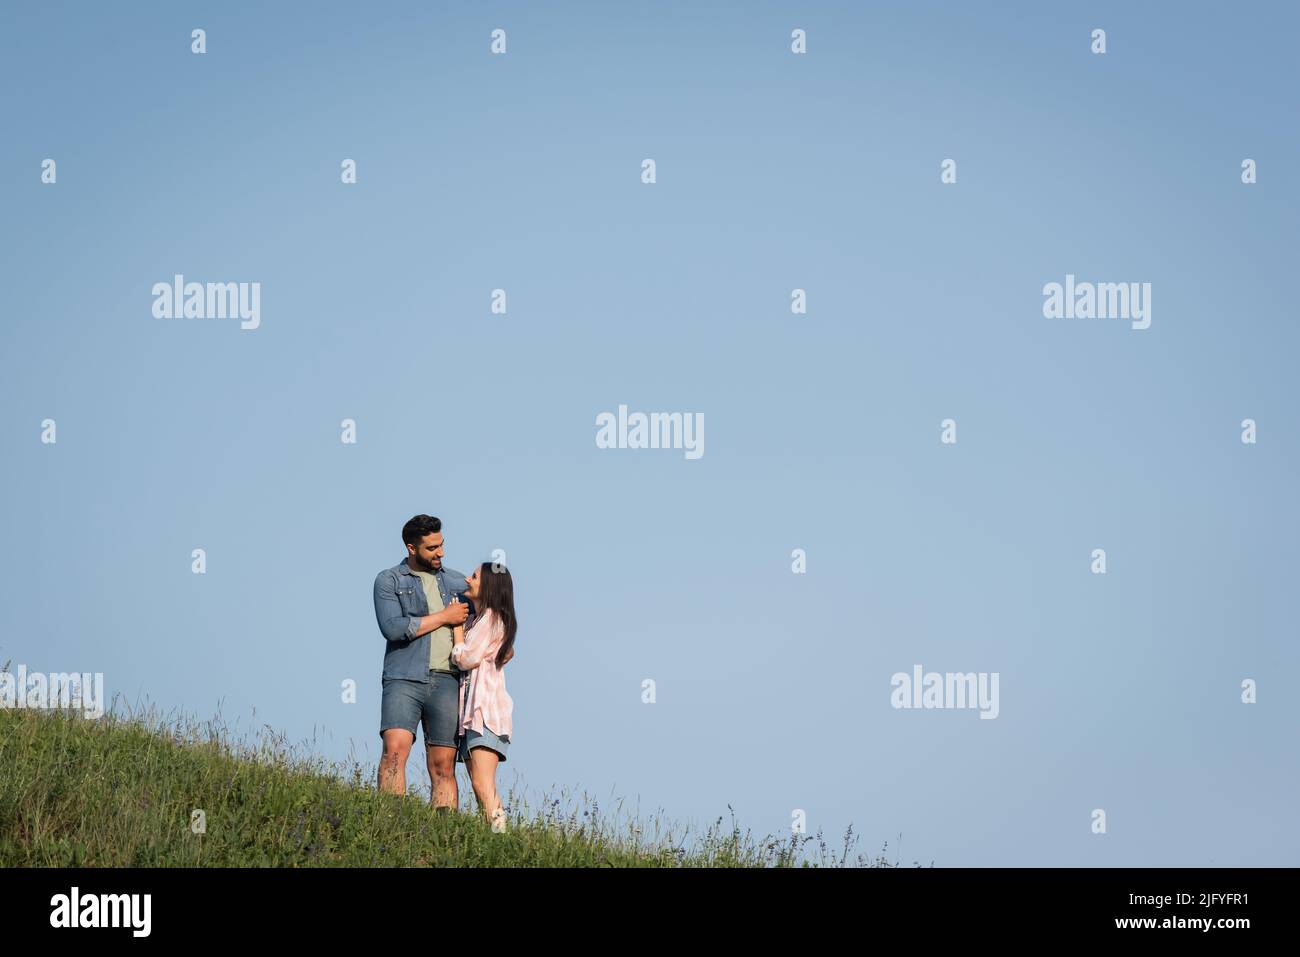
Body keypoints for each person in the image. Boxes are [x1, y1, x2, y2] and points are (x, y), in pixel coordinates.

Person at [372, 514, 469, 809]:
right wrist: (444, 617)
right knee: (394, 751)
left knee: (444, 764)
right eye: (431, 548)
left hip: (447, 681)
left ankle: (444, 835)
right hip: (404, 677)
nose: (440, 553)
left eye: (441, 545)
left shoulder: (457, 581)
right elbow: (393, 628)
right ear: (411, 548)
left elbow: (493, 612)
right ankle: (391, 822)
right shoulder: (389, 580)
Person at [451, 561, 518, 832]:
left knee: (482, 784)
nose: (468, 579)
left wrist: (456, 628)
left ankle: (500, 839)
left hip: (485, 715)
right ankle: (494, 836)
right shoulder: (482, 619)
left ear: (489, 586)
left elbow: (466, 658)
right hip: (475, 715)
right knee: (481, 784)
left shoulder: (490, 618)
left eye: (475, 576)